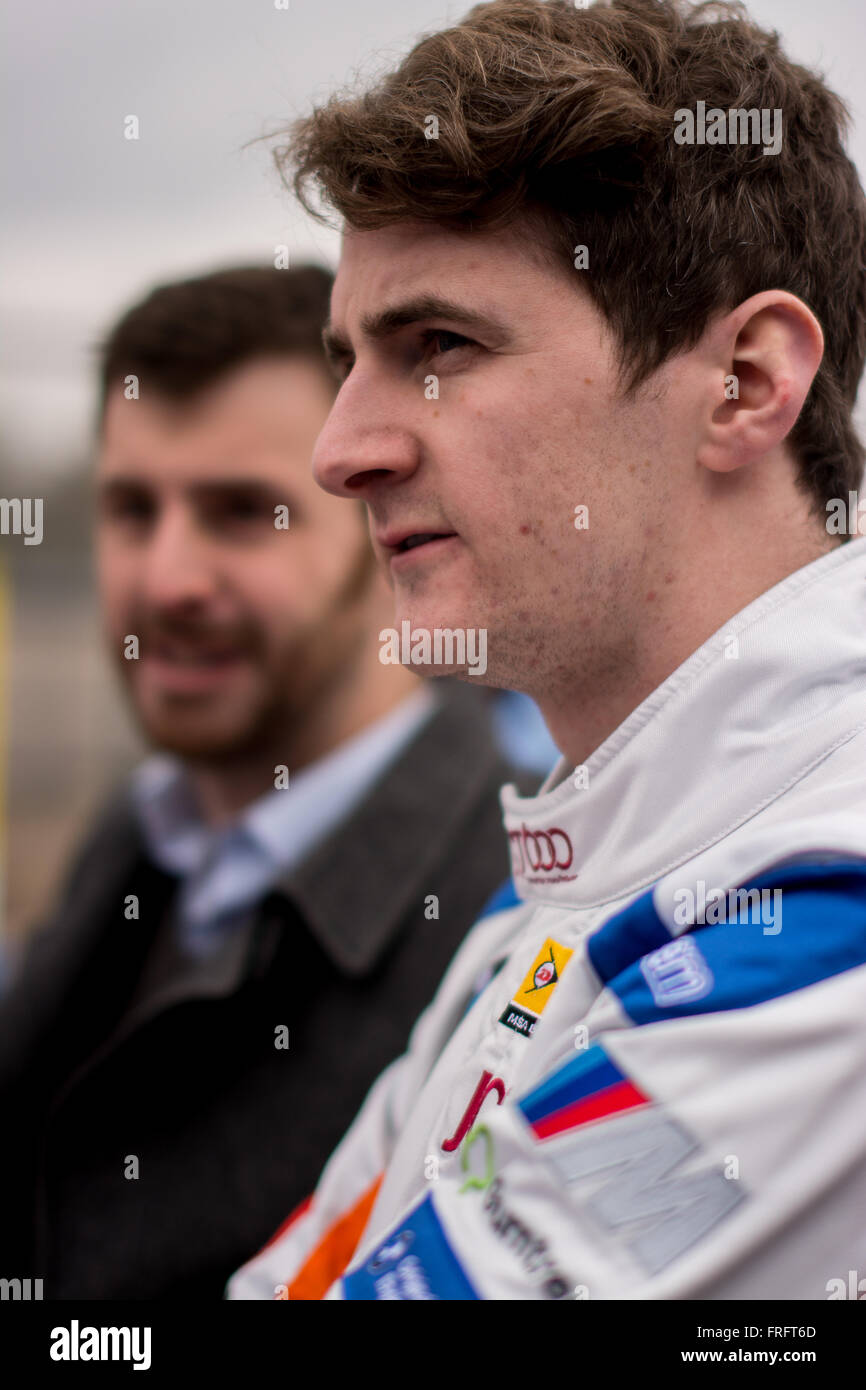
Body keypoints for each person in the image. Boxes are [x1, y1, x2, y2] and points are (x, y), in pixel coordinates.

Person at [229, 0, 866, 1300]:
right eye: (348, 358)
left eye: (440, 348)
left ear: (745, 382)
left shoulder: (824, 893)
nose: (339, 450)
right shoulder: (558, 888)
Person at [0, 264, 529, 1299]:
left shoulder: (503, 920)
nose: (166, 578)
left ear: (385, 520)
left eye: (243, 512)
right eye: (129, 509)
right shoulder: (146, 830)